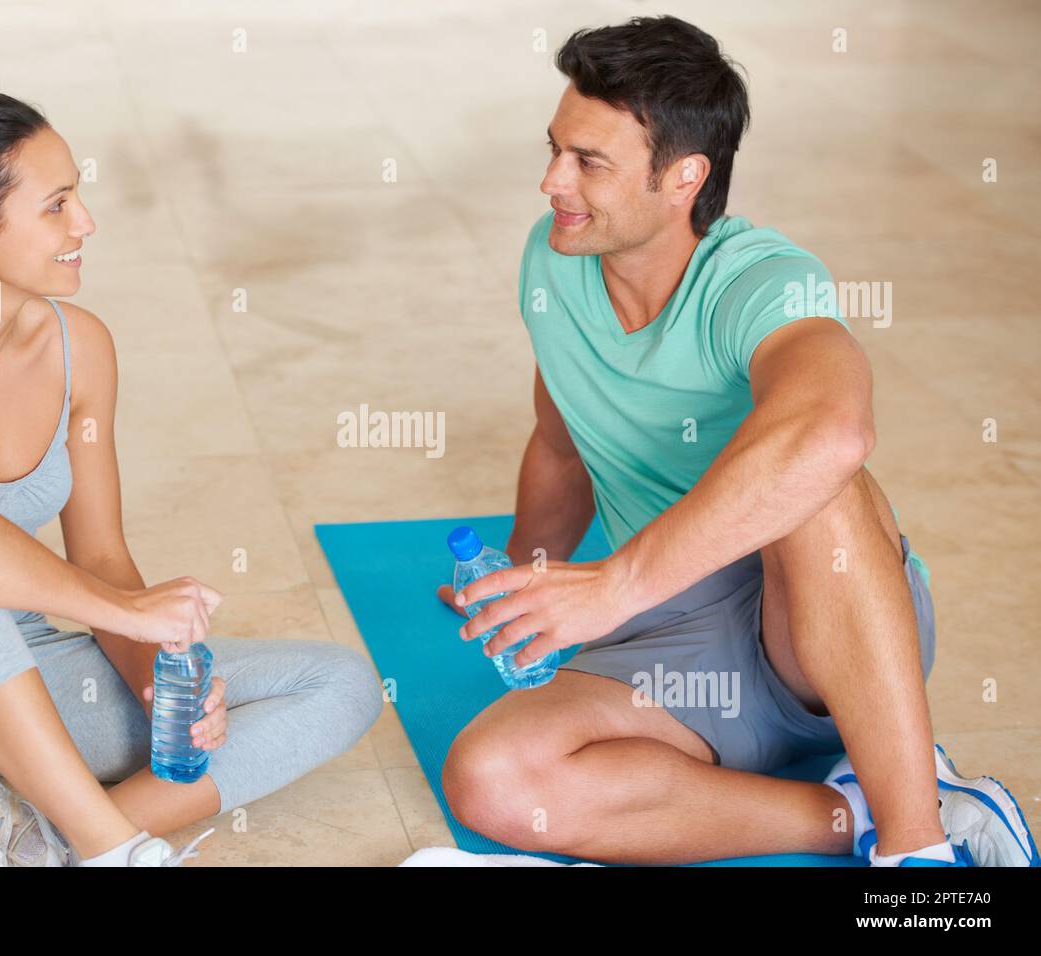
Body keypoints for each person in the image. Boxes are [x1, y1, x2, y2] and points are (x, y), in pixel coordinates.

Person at [435, 17, 1035, 868]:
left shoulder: (760, 282)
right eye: (556, 149)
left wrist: (618, 582)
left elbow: (837, 429)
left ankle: (917, 849)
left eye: (588, 162)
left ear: (684, 177)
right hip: (673, 635)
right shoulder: (553, 262)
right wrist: (521, 578)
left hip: (817, 625)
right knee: (493, 779)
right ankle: (858, 808)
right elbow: (563, 441)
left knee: (817, 475)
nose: (550, 182)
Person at [0, 92, 384, 867]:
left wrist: (153, 681)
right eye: (57, 206)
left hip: (13, 677)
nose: (86, 222)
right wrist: (130, 612)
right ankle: (115, 850)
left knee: (341, 684)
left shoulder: (81, 346)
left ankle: (36, 838)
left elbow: (98, 554)